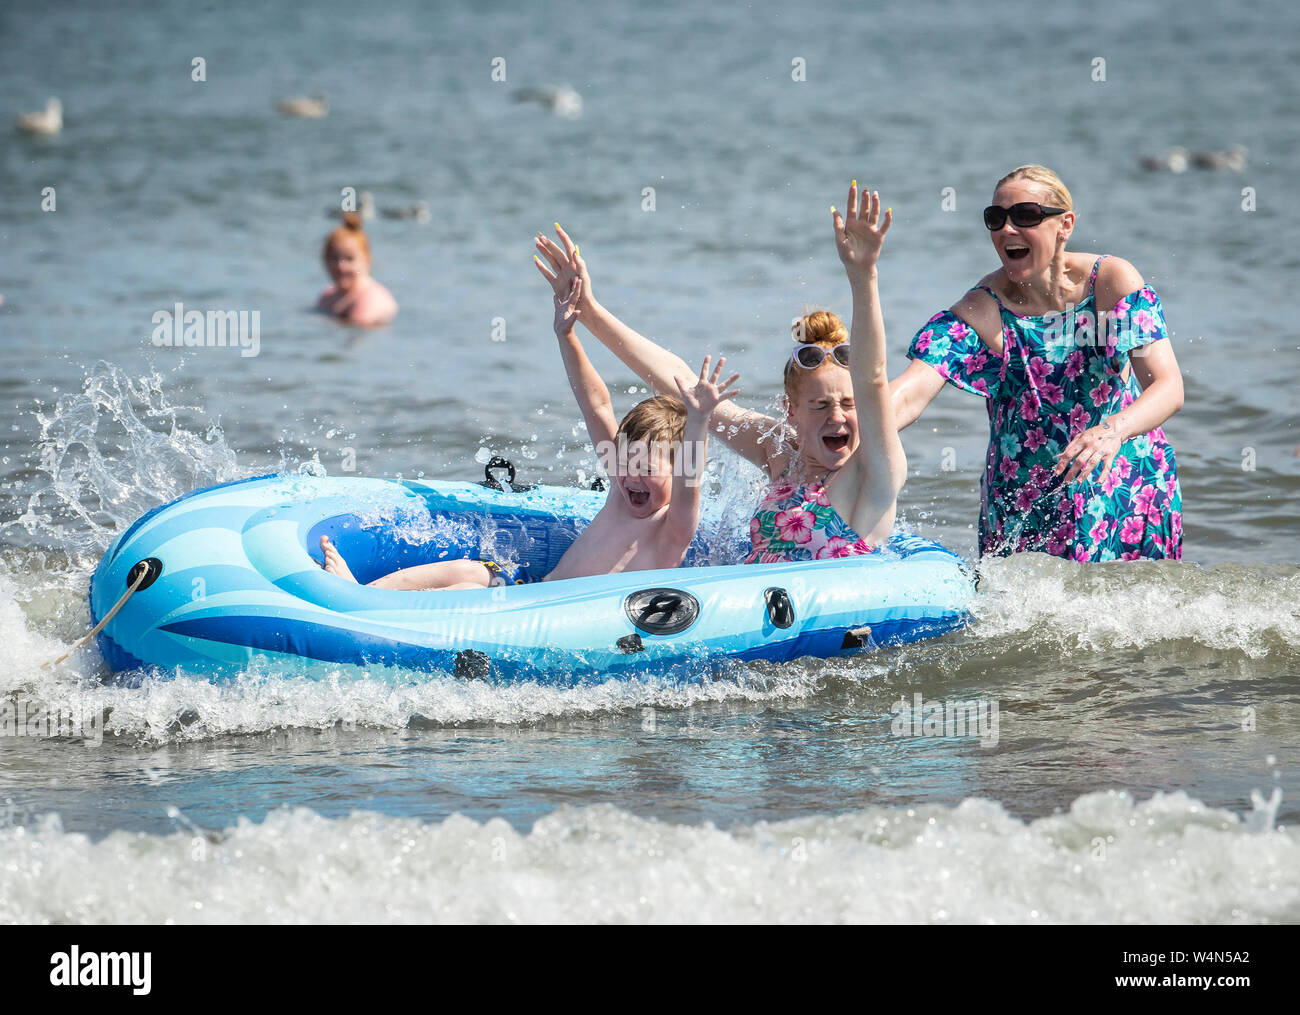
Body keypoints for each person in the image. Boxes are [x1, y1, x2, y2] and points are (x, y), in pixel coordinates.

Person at [533, 183, 907, 563]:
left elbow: (875, 378)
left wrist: (864, 277)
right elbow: (679, 382)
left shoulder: (870, 467)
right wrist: (591, 312)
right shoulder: (780, 449)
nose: (837, 416)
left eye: (848, 402)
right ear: (791, 410)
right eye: (821, 404)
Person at [319, 275, 738, 589]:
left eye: (645, 467)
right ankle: (360, 597)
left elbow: (690, 479)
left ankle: (373, 610)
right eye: (624, 462)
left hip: (560, 620)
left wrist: (698, 419)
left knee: (469, 590)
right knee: (469, 570)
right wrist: (566, 334)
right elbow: (596, 404)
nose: (629, 476)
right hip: (530, 591)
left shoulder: (671, 528)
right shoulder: (619, 493)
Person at [889, 165, 1184, 561]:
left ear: (1065, 225)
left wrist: (1112, 431)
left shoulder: (1110, 282)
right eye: (996, 218)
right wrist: (835, 422)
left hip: (1128, 487)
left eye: (1025, 215)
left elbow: (1167, 387)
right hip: (1024, 498)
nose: (1007, 230)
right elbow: (907, 397)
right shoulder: (983, 308)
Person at [317, 212, 398, 326]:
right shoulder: (327, 295)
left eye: (349, 259)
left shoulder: (369, 298)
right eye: (334, 258)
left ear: (367, 260)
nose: (341, 267)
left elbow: (357, 333)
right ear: (324, 260)